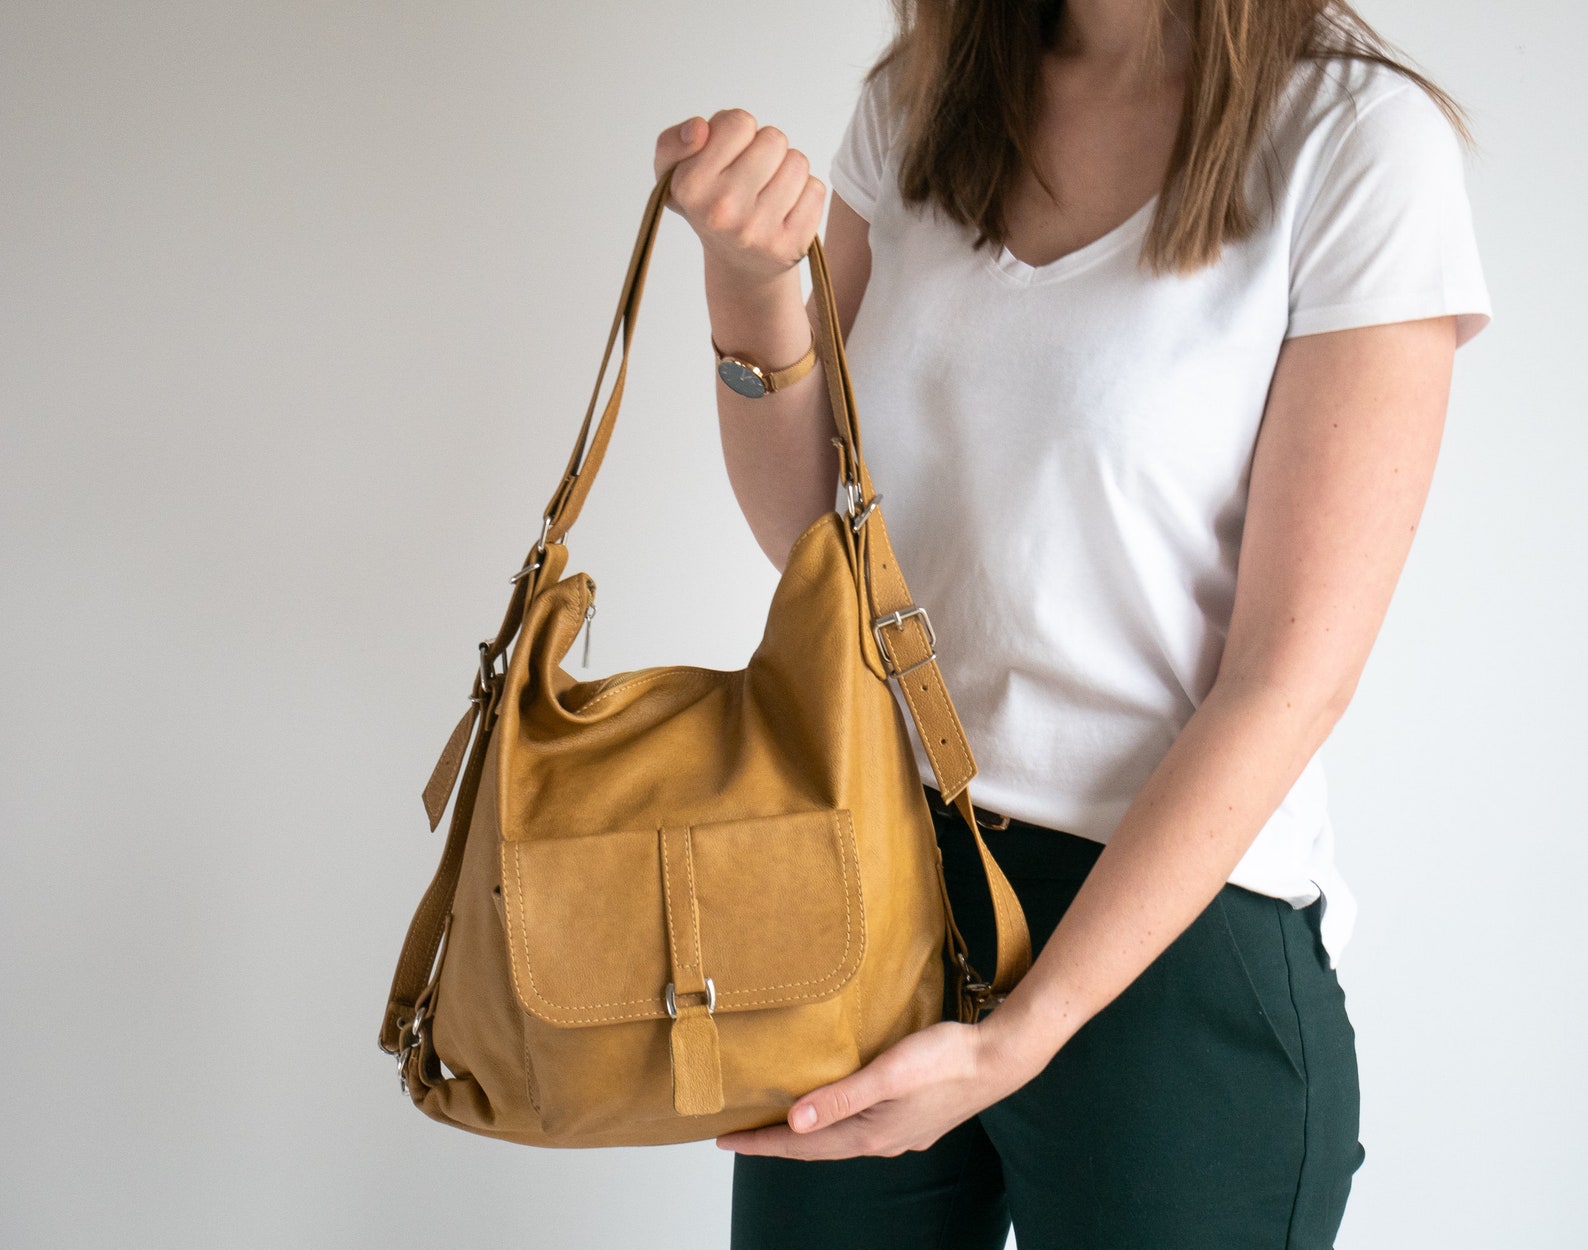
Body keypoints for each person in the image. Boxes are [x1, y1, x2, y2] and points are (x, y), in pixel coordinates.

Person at [652, 0, 1492, 1245]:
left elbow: (1288, 676)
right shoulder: (920, 100)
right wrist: (749, 282)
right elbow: (818, 542)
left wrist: (1023, 1034)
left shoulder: (1355, 139)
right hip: (877, 886)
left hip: (1166, 935)